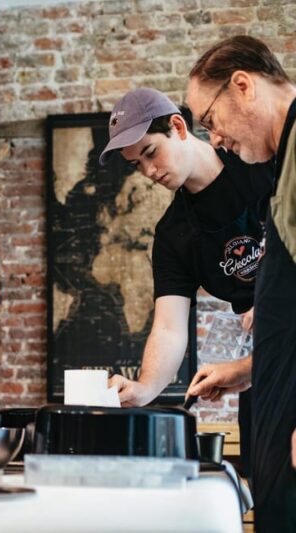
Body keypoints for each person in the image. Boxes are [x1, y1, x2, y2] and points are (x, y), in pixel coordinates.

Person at [99, 88, 274, 474]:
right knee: (267, 488)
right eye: (136, 164)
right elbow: (168, 328)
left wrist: (277, 297)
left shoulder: (258, 165)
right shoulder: (173, 235)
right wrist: (144, 388)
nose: (149, 172)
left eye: (150, 153)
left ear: (178, 127)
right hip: (263, 370)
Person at [186, 35, 296, 532]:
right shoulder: (283, 160)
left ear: (243, 85)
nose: (215, 139)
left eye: (210, 120)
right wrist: (249, 370)